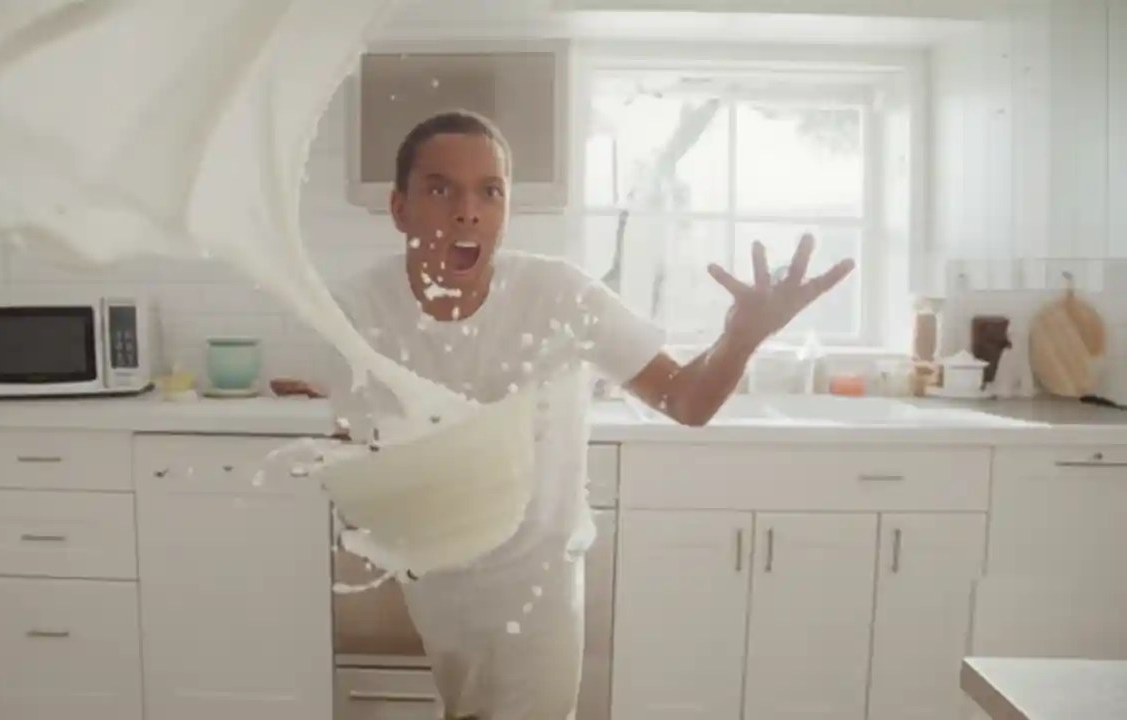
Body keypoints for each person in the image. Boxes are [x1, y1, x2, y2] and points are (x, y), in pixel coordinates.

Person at [326, 109, 853, 720]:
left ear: (504, 211)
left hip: (537, 582)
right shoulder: (356, 309)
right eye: (440, 189)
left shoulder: (561, 298)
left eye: (489, 191)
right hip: (436, 581)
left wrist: (740, 339)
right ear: (400, 209)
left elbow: (686, 399)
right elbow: (356, 442)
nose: (467, 210)